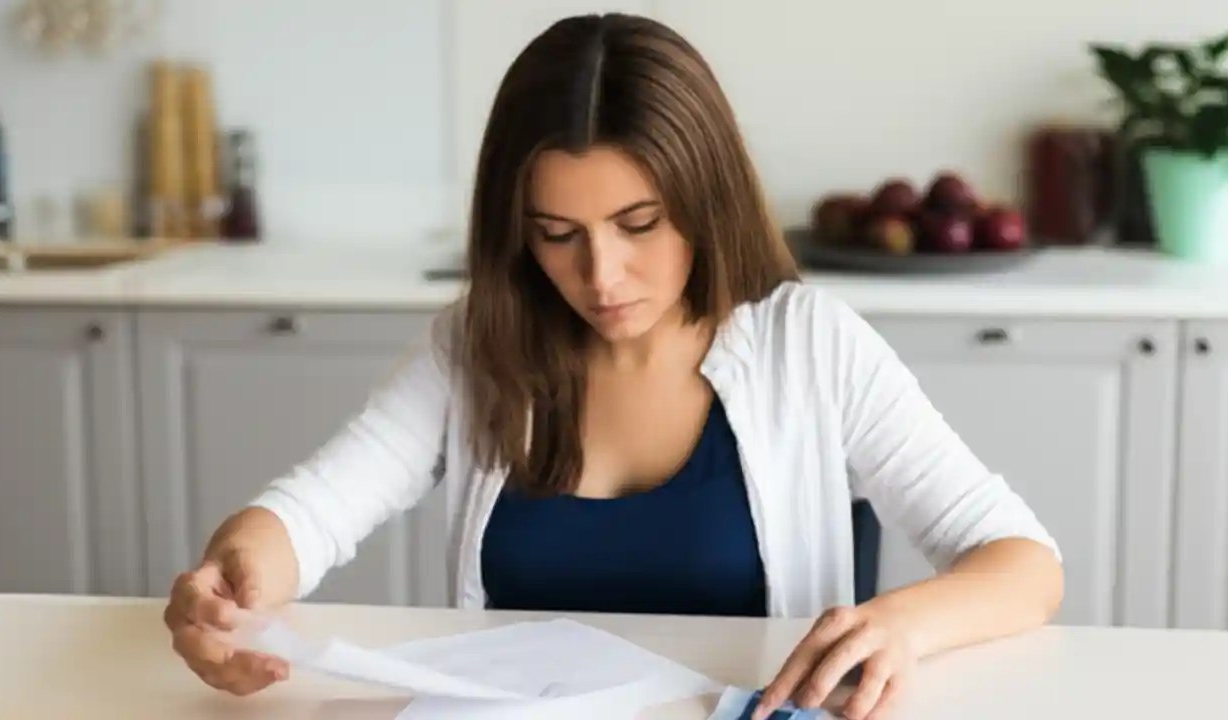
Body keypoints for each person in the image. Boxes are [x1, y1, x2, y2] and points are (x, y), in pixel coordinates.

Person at [163, 12, 1063, 720]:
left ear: (705, 199)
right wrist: (234, 584)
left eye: (639, 225)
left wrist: (901, 622)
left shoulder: (809, 344)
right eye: (558, 234)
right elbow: (312, 513)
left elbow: (1023, 563)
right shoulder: (475, 348)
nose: (601, 276)